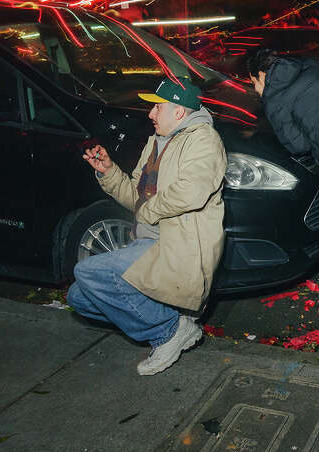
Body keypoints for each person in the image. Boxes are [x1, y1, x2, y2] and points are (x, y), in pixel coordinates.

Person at [72, 75, 227, 376]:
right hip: (146, 240)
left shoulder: (204, 140)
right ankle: (167, 316)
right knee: (78, 297)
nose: (150, 113)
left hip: (175, 246)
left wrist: (147, 211)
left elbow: (191, 192)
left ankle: (167, 331)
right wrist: (108, 173)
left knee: (88, 271)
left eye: (158, 107)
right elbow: (137, 198)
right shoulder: (156, 142)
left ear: (178, 112)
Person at [245, 48, 319, 302]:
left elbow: (298, 145)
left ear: (262, 74)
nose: (255, 89)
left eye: (253, 83)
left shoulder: (274, 98)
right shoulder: (309, 66)